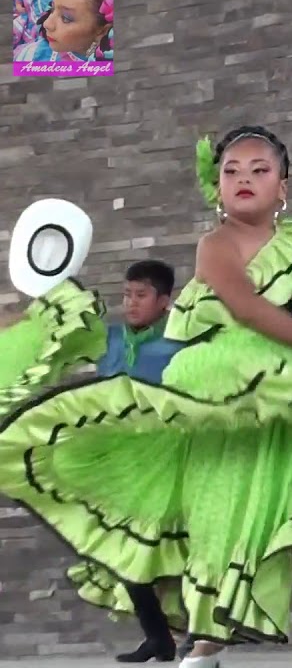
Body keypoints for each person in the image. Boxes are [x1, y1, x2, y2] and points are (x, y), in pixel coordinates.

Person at [0, 125, 292, 668]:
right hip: (229, 386)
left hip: (291, 385)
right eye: (232, 170)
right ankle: (210, 635)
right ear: (217, 187)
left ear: (284, 185)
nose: (244, 179)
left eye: (260, 170)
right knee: (218, 509)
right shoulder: (215, 245)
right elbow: (248, 309)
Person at [85, 260, 192, 663]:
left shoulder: (179, 344)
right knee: (123, 548)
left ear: (165, 301)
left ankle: (197, 637)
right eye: (127, 294)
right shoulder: (109, 340)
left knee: (178, 551)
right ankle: (158, 638)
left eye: (141, 295)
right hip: (120, 463)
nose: (131, 303)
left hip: (168, 462)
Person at [14, 0, 112, 63]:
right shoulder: (33, 56)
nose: (47, 24)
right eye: (52, 10)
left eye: (66, 18)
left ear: (102, 31)